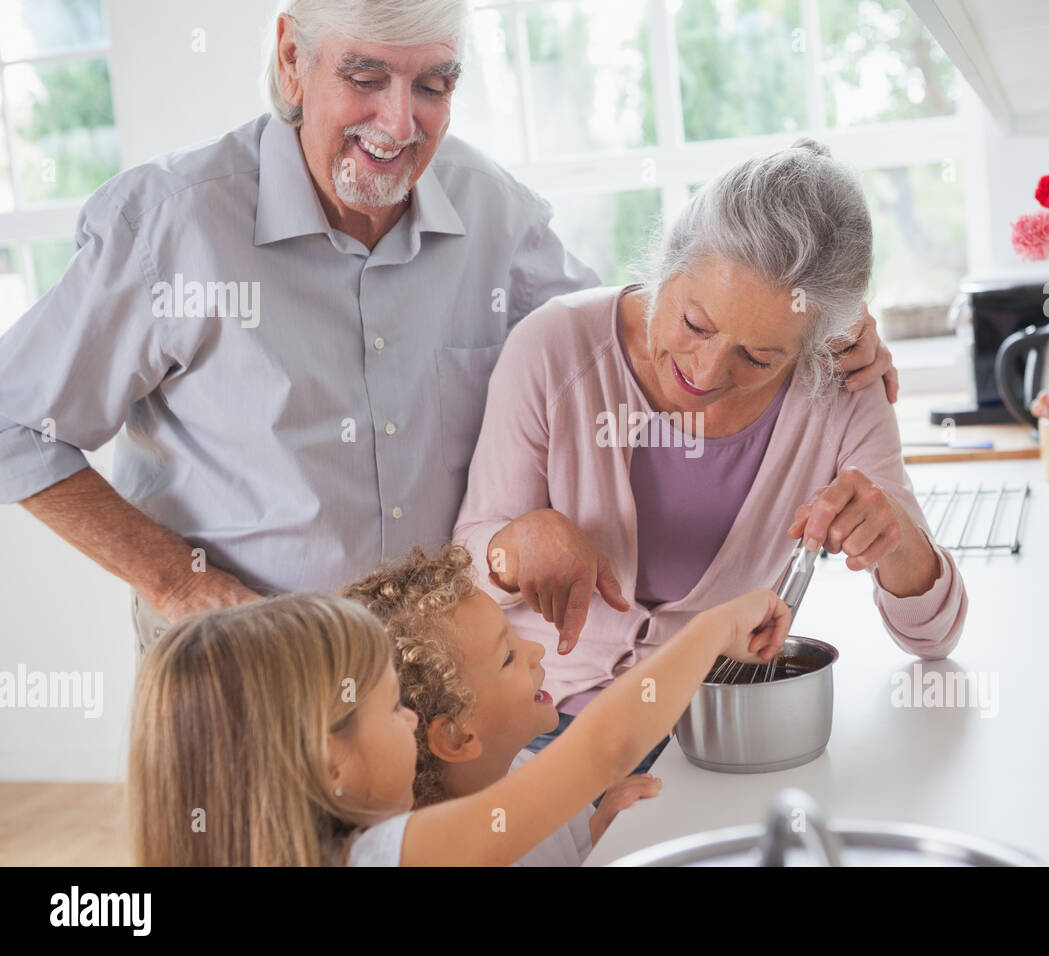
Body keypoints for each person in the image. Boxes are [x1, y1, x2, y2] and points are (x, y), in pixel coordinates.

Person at [0, 1, 894, 659]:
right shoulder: (174, 224)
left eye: (433, 84)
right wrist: (178, 582)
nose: (400, 123)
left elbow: (632, 349)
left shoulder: (493, 213)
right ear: (290, 56)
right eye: (364, 78)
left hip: (444, 683)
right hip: (247, 675)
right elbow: (15, 423)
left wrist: (820, 334)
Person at [454, 139, 967, 763]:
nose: (704, 369)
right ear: (668, 263)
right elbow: (466, 569)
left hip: (707, 741)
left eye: (758, 357)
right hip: (536, 730)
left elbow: (933, 637)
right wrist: (517, 546)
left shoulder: (842, 388)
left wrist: (899, 540)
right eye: (695, 324)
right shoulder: (553, 348)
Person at [127, 585, 789, 865]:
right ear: (329, 762)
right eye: (393, 708)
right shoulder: (378, 857)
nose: (411, 720)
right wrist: (710, 631)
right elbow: (604, 747)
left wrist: (587, 833)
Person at [342, 542, 660, 866]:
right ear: (457, 737)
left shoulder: (523, 766)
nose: (535, 649)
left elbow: (572, 853)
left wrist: (598, 832)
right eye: (508, 657)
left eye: (515, 635)